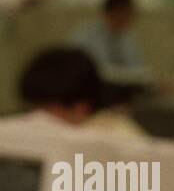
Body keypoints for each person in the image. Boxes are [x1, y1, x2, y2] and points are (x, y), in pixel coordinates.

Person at [18, 47, 146, 138]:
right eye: (32, 108)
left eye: (46, 110)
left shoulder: (118, 138)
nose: (36, 118)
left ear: (80, 108)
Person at [70, 0, 150, 98]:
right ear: (110, 12)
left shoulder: (128, 37)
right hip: (93, 90)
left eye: (130, 15)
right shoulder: (85, 35)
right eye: (123, 14)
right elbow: (77, 70)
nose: (127, 19)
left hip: (123, 90)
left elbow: (138, 69)